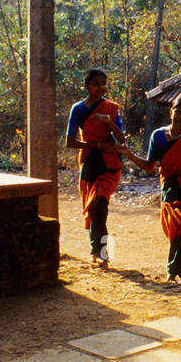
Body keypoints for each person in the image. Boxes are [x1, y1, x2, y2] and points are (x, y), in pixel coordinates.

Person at [124, 97, 181, 284]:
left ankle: (174, 272)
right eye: (178, 111)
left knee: (177, 227)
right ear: (171, 112)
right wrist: (128, 153)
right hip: (168, 185)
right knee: (173, 228)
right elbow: (149, 166)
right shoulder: (158, 136)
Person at [65, 68, 127, 269]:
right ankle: (96, 251)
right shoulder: (78, 109)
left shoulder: (110, 109)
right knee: (92, 208)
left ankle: (102, 253)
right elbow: (70, 142)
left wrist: (108, 122)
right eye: (96, 84)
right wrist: (97, 145)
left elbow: (122, 139)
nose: (101, 87)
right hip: (90, 161)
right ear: (87, 86)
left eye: (103, 83)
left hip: (110, 163)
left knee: (100, 205)